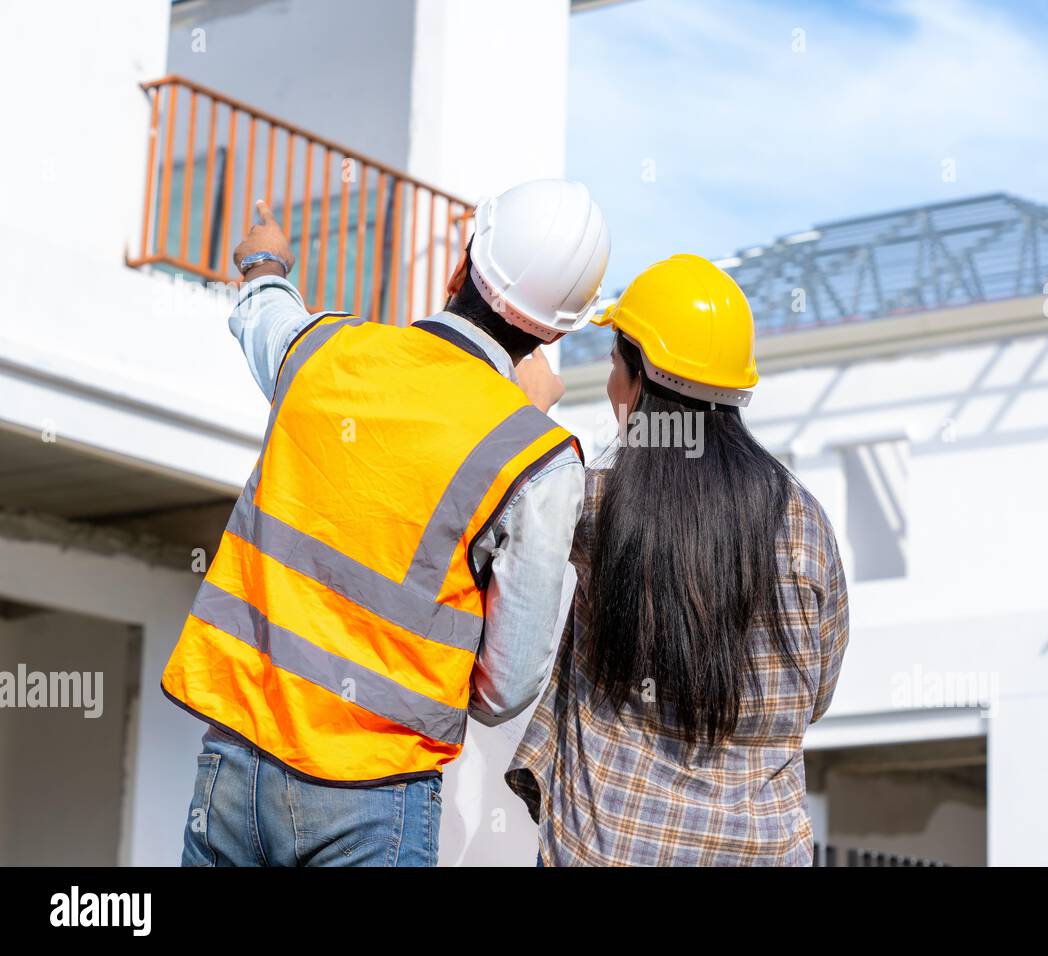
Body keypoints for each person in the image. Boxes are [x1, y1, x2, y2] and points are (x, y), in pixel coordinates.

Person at [165, 179, 608, 866]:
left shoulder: (325, 352)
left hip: (237, 765)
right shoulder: (538, 461)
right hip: (375, 798)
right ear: (553, 332)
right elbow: (506, 687)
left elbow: (263, 318)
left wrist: (265, 263)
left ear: (463, 262)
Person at [506, 254, 849, 866]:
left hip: (610, 847)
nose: (611, 386)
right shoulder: (807, 525)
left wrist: (527, 422)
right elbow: (816, 695)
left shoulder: (602, 506)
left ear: (640, 381)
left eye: (615, 364)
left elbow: (520, 509)